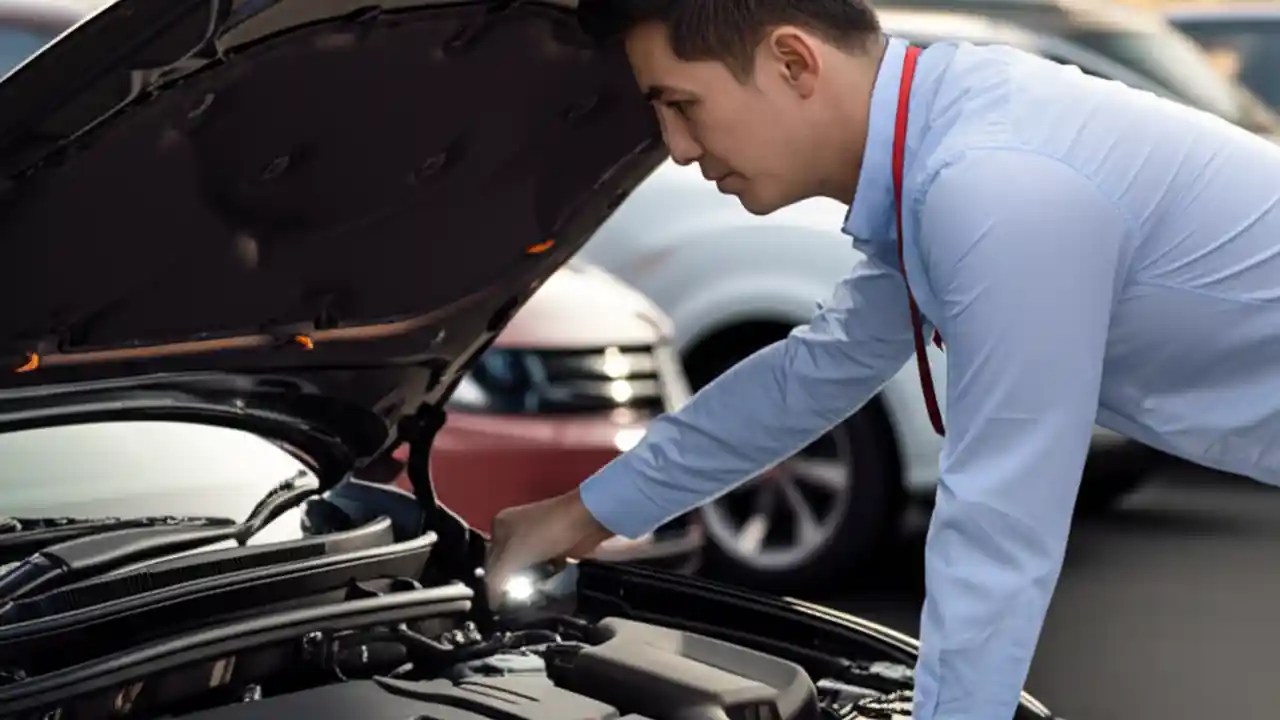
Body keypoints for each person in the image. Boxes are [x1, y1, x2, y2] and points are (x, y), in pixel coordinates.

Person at [484, 1, 1280, 718]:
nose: (678, 149)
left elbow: (1001, 522)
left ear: (794, 62)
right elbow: (810, 376)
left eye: (682, 106)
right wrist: (581, 514)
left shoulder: (993, 184)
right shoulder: (946, 138)